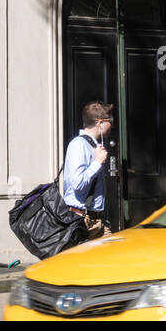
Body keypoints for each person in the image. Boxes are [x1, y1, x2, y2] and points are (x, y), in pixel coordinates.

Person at [63, 101, 113, 238]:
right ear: (100, 122)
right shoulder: (78, 145)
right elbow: (78, 184)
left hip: (98, 220)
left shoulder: (94, 146)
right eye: (111, 121)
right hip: (81, 220)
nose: (112, 125)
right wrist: (97, 163)